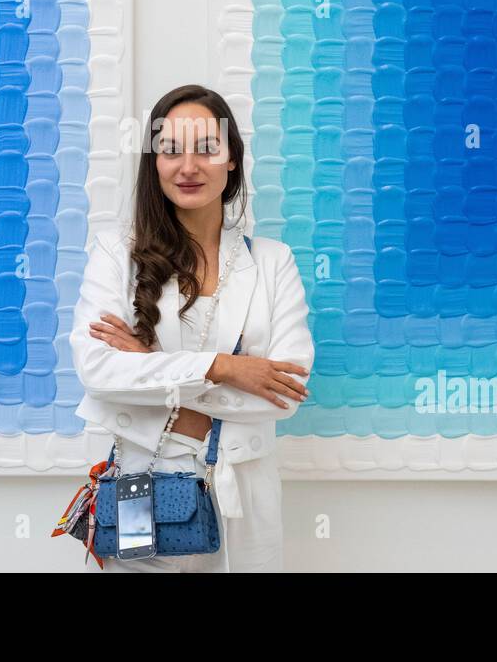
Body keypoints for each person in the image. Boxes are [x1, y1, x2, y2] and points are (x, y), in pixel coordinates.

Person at [69, 84, 315, 572]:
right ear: (153, 163)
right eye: (170, 150)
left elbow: (287, 391)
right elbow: (98, 372)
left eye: (206, 148)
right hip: (140, 483)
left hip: (243, 488)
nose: (188, 166)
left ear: (231, 160)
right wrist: (224, 368)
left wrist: (148, 367)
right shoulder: (116, 255)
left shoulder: (272, 262)